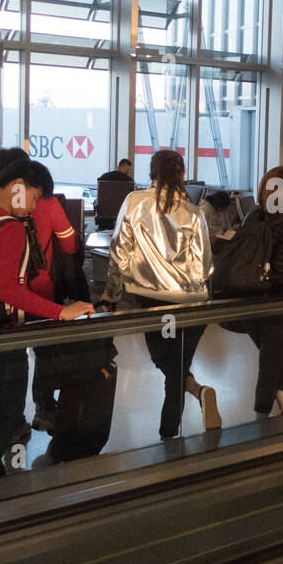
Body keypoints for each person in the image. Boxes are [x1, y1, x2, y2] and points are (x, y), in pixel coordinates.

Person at [0, 159, 95, 484]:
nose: (36, 205)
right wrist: (60, 311)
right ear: (17, 187)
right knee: (2, 424)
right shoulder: (8, 227)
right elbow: (7, 289)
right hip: (1, 340)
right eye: (35, 197)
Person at [107, 150, 220, 439]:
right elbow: (205, 265)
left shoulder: (134, 202)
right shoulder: (195, 213)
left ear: (151, 174)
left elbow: (119, 253)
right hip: (192, 302)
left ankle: (171, 429)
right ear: (182, 175)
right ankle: (185, 408)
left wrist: (112, 294)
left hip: (151, 300)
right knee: (178, 363)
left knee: (166, 361)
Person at [240, 166, 283, 416]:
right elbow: (281, 268)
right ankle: (262, 421)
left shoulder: (254, 216)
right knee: (270, 362)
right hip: (276, 301)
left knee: (278, 354)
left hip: (248, 298)